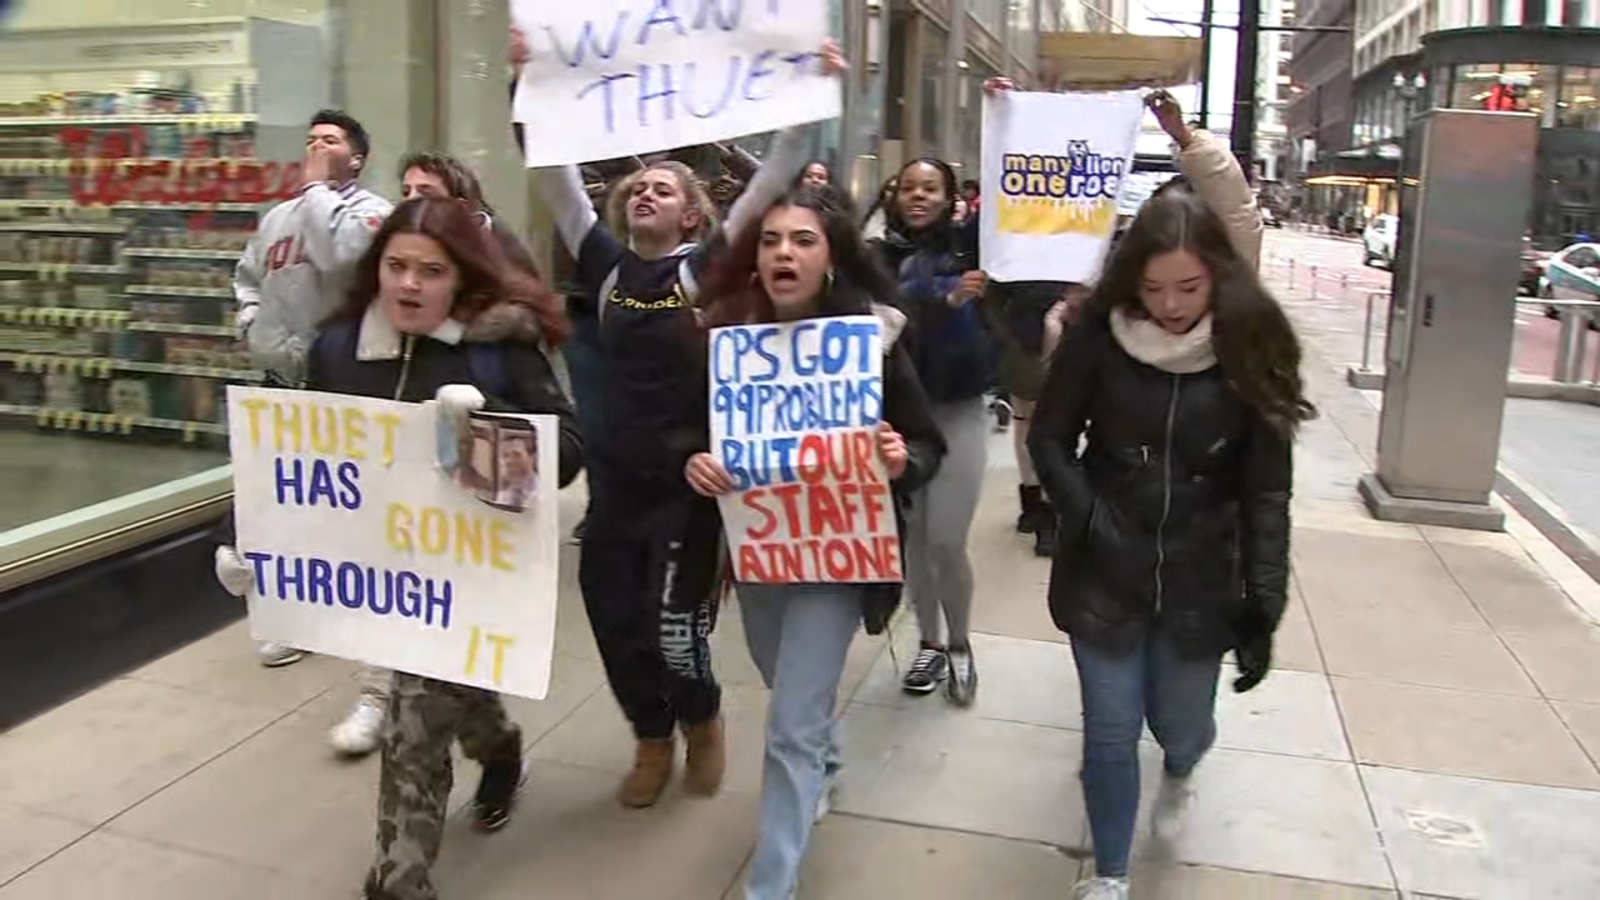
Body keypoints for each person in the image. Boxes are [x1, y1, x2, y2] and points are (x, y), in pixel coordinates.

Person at [528, 41, 849, 809]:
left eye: (665, 187)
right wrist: (529, 81)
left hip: (686, 488)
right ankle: (650, 736)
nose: (646, 191)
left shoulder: (705, 267)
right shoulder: (602, 262)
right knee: (615, 626)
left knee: (675, 633)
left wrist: (808, 92)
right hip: (613, 486)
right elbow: (554, 176)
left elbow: (775, 177)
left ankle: (700, 717)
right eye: (638, 184)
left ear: (693, 212)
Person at [1027, 182, 1315, 900]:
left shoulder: (1249, 343)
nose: (1172, 304)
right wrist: (1092, 522)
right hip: (1105, 569)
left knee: (1179, 724)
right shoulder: (1098, 337)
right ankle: (1111, 875)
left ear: (1217, 273)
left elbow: (1266, 490)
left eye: (1188, 286)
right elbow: (1051, 441)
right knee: (1111, 730)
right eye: (1154, 288)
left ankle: (1184, 768)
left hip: (1199, 573)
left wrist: (1264, 597)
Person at [306, 198, 579, 900]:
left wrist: (503, 448)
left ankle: (399, 880)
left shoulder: (498, 348)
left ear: (461, 279)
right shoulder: (338, 348)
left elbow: (570, 446)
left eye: (431, 271)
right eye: (397, 266)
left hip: (474, 567)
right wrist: (246, 543)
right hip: (386, 569)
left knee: (415, 721)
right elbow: (296, 453)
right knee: (446, 695)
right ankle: (497, 741)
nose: (410, 285)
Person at [687, 185, 947, 900]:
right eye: (771, 241)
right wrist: (696, 461)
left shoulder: (871, 342)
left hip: (839, 559)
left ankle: (769, 887)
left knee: (789, 726)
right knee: (787, 685)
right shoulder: (726, 341)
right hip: (760, 554)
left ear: (829, 258)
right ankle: (827, 760)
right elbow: (687, 433)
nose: (783, 253)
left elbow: (926, 441)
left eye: (801, 240)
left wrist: (901, 458)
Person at [229, 111, 392, 684]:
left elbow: (343, 259)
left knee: (346, 504)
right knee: (285, 504)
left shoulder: (373, 213)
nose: (316, 147)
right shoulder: (279, 216)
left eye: (331, 141)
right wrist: (250, 321)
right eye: (311, 140)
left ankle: (367, 613)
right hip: (280, 379)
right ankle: (288, 616)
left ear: (357, 157)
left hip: (343, 382)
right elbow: (247, 274)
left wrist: (317, 189)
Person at [871, 156, 989, 704]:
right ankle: (930, 642)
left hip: (959, 408)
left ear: (949, 197)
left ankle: (960, 640)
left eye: (931, 188)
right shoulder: (874, 256)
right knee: (914, 540)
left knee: (946, 537)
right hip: (900, 414)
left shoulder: (973, 248)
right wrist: (944, 297)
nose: (919, 196)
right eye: (910, 187)